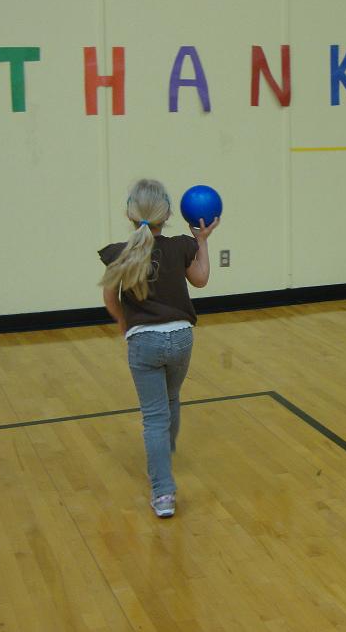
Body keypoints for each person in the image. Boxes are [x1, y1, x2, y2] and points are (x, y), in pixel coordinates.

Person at [98, 179, 218, 518]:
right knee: (171, 400)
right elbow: (202, 279)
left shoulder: (119, 253)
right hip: (181, 339)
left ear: (129, 213)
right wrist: (202, 241)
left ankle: (163, 493)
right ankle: (165, 453)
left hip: (144, 342)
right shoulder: (181, 246)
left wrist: (124, 323)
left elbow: (109, 298)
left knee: (154, 418)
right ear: (167, 214)